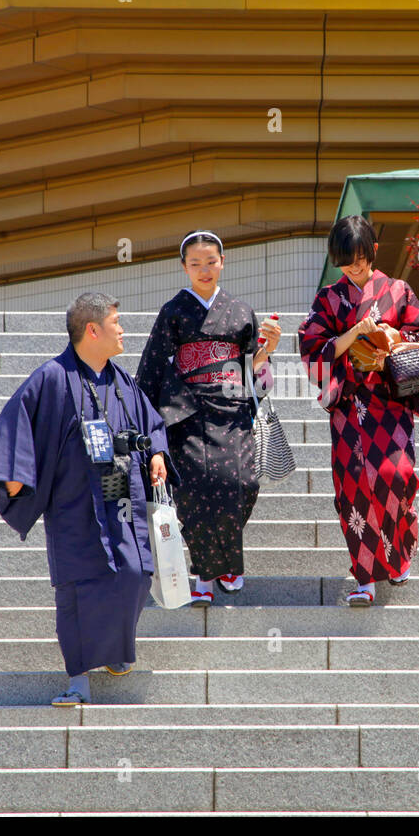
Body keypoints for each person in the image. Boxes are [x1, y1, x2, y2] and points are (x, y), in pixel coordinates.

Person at [0, 292, 181, 705]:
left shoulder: (122, 380)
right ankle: (78, 682)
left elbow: (151, 422)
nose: (123, 329)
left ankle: (115, 652)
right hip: (74, 504)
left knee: (135, 573)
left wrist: (159, 453)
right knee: (77, 590)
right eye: (116, 322)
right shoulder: (52, 377)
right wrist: (15, 479)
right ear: (92, 329)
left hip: (121, 497)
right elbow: (16, 420)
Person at [134, 229, 281, 607]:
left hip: (231, 413)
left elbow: (251, 370)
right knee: (196, 492)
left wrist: (269, 349)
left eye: (211, 261)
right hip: (187, 415)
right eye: (195, 263)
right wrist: (145, 421)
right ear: (184, 268)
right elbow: (151, 367)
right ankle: (203, 574)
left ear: (222, 262)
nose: (204, 269)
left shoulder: (240, 310)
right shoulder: (173, 311)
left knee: (242, 484)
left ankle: (226, 563)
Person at [298, 215, 419, 606]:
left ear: (374, 251)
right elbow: (312, 350)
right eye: (346, 262)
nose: (354, 268)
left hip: (390, 402)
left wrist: (392, 342)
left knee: (396, 475)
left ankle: (400, 550)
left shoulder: (398, 290)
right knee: (354, 487)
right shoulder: (327, 298)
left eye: (360, 259)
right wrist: (354, 333)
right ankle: (365, 578)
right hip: (349, 407)